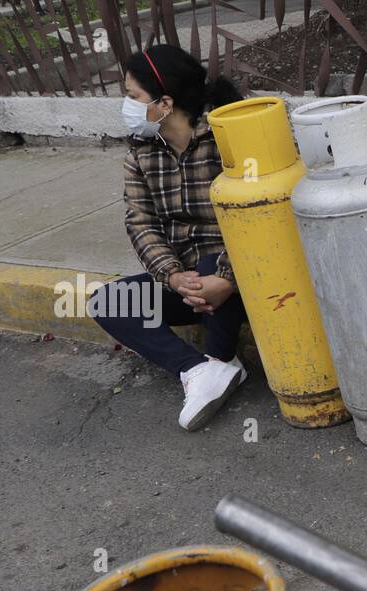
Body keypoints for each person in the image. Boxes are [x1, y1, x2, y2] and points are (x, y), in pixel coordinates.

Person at [89, 44, 248, 431]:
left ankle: (220, 359)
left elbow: (254, 219)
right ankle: (198, 370)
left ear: (164, 102)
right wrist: (175, 277)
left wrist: (225, 278)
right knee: (109, 301)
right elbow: (141, 224)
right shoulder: (141, 155)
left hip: (244, 281)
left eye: (132, 96)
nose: (127, 106)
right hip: (191, 285)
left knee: (212, 259)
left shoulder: (228, 138)